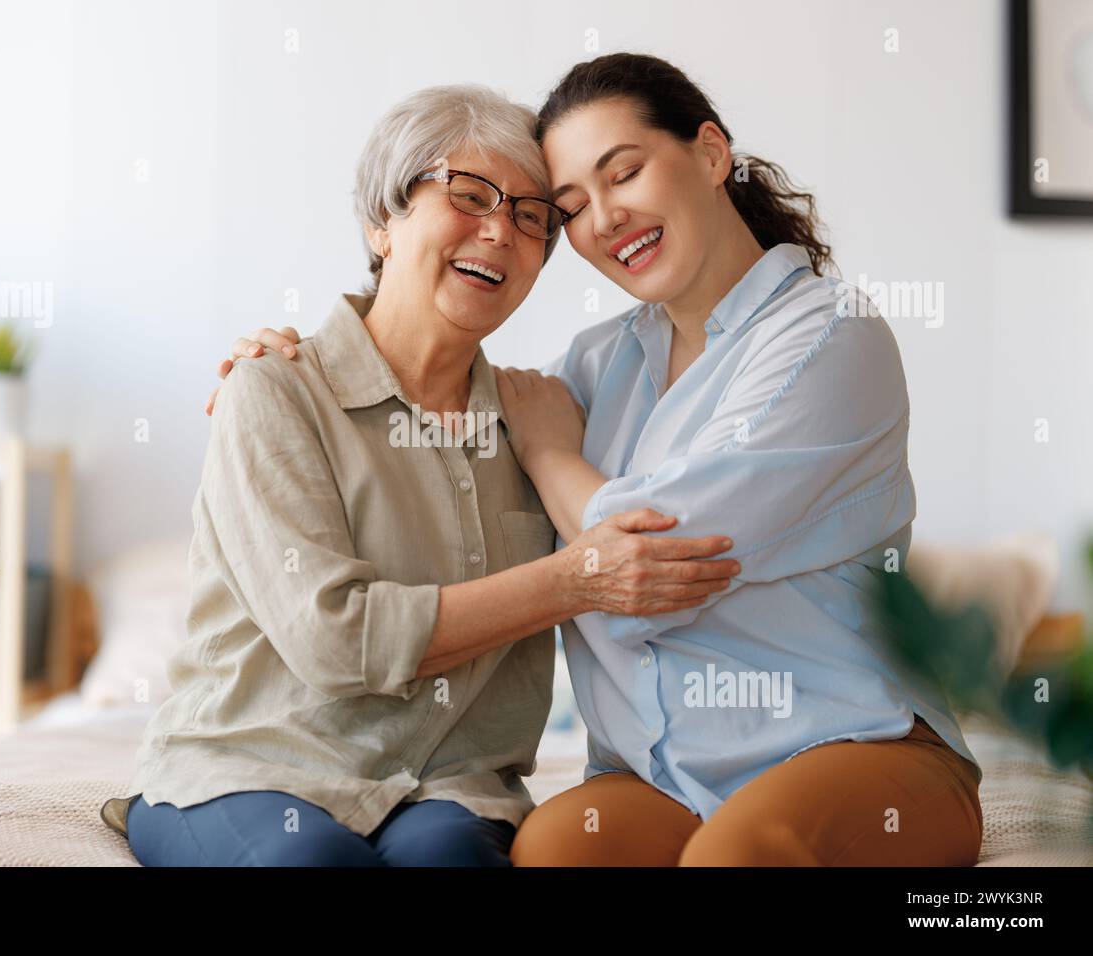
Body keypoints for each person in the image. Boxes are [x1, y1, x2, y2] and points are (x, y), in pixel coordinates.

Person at [216, 53, 984, 867]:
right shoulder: (593, 366)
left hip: (856, 747)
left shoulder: (832, 336)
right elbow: (426, 412)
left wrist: (549, 453)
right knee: (548, 852)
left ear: (712, 154)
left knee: (738, 856)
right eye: (573, 207)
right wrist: (295, 361)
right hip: (659, 777)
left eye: (625, 174)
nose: (606, 218)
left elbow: (650, 567)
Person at [100, 82, 738, 867]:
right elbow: (334, 640)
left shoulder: (543, 419)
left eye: (532, 217)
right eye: (469, 196)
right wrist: (577, 579)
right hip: (250, 771)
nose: (500, 230)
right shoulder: (275, 389)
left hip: (449, 787)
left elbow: (669, 541)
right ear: (382, 223)